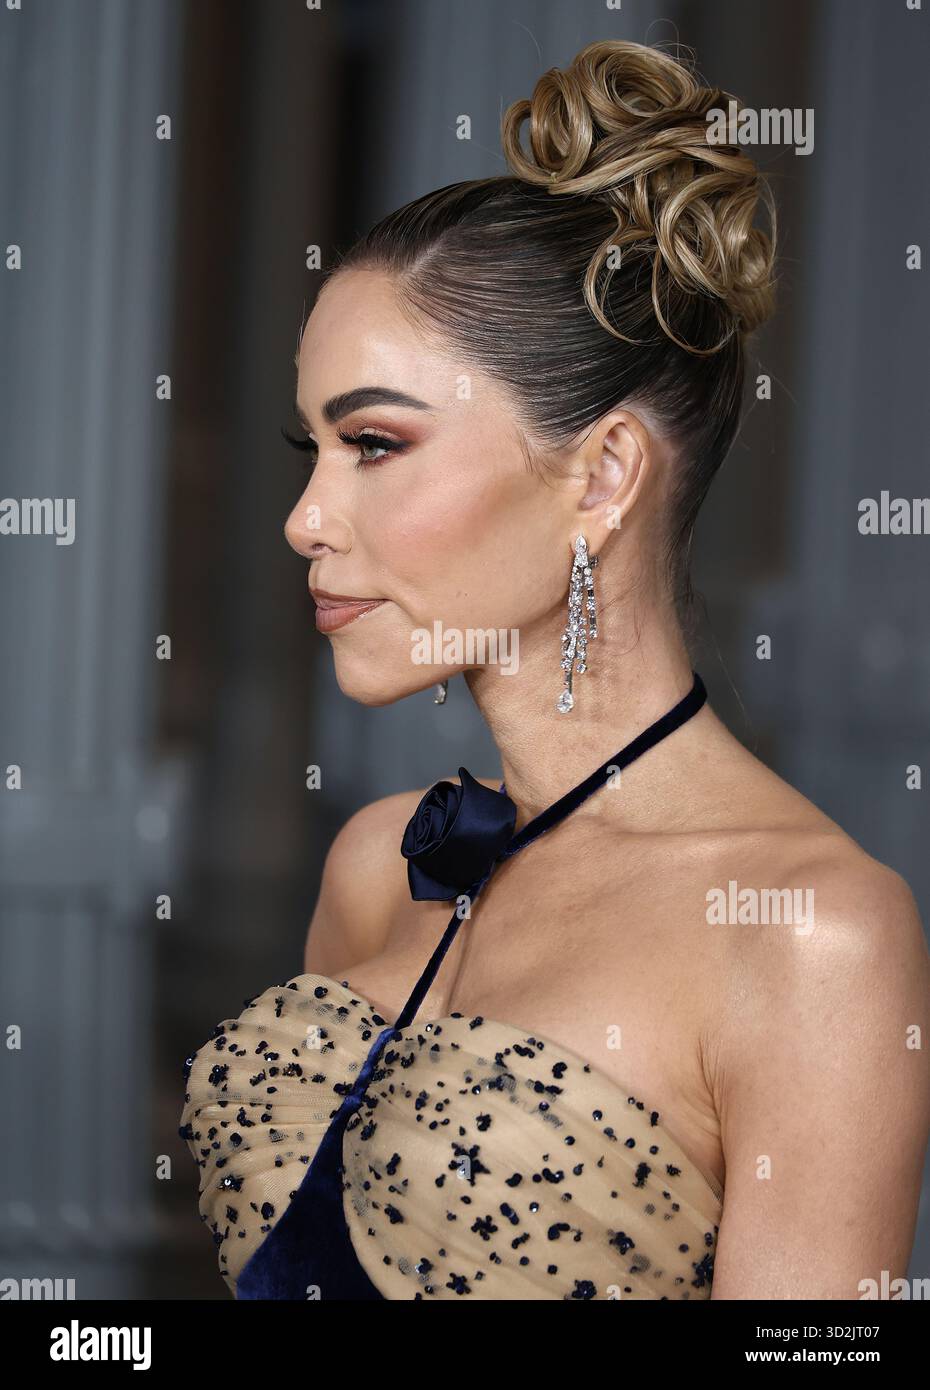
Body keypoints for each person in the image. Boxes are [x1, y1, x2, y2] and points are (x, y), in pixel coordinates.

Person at [179, 38, 930, 1301]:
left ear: (604, 476)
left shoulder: (816, 936)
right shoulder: (383, 861)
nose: (305, 520)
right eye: (309, 447)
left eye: (372, 442)